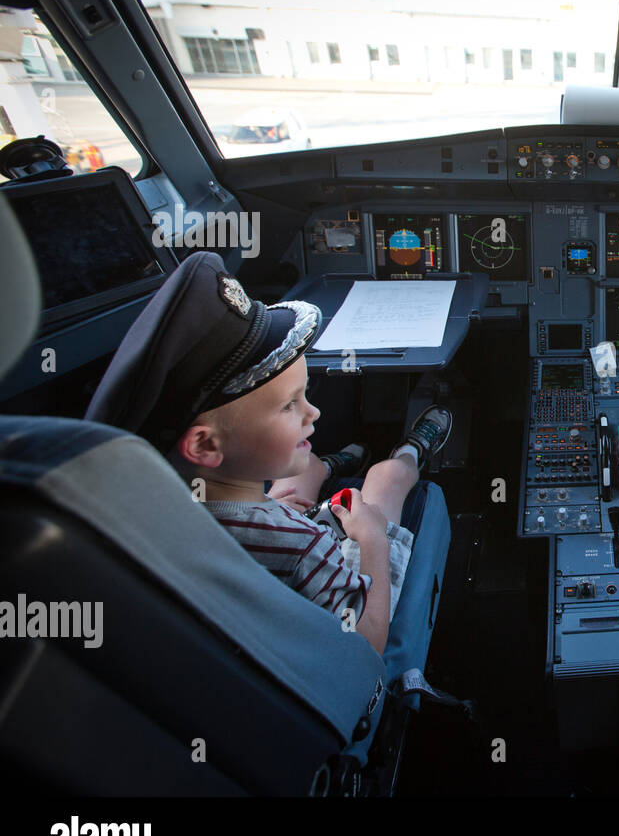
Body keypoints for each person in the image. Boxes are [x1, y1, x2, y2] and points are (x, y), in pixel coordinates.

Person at [85, 251, 452, 653]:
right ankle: (409, 452)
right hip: (347, 602)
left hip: (271, 545)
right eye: (289, 404)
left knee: (304, 467)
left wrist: (274, 509)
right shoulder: (297, 548)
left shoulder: (156, 514)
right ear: (206, 444)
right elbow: (367, 640)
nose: (313, 412)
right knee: (385, 480)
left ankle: (325, 467)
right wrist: (372, 540)